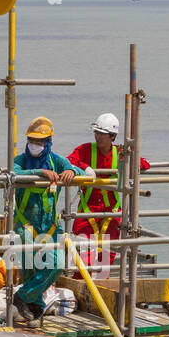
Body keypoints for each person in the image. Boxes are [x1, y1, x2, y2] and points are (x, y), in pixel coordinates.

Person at [10, 116, 93, 321]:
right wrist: (40, 173)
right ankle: (35, 308)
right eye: (31, 140)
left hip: (49, 225)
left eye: (39, 141)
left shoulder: (56, 161)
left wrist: (71, 171)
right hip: (26, 224)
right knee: (31, 268)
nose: (34, 145)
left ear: (48, 143)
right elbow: (15, 174)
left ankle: (22, 297)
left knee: (56, 264)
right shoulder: (21, 160)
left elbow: (78, 171)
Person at [67, 112, 151, 271]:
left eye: (102, 133)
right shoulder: (86, 149)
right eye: (96, 132)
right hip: (87, 209)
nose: (97, 136)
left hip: (111, 211)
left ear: (113, 136)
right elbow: (68, 161)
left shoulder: (120, 153)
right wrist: (84, 167)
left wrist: (132, 158)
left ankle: (101, 283)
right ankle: (84, 283)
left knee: (107, 255)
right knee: (83, 253)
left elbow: (144, 164)